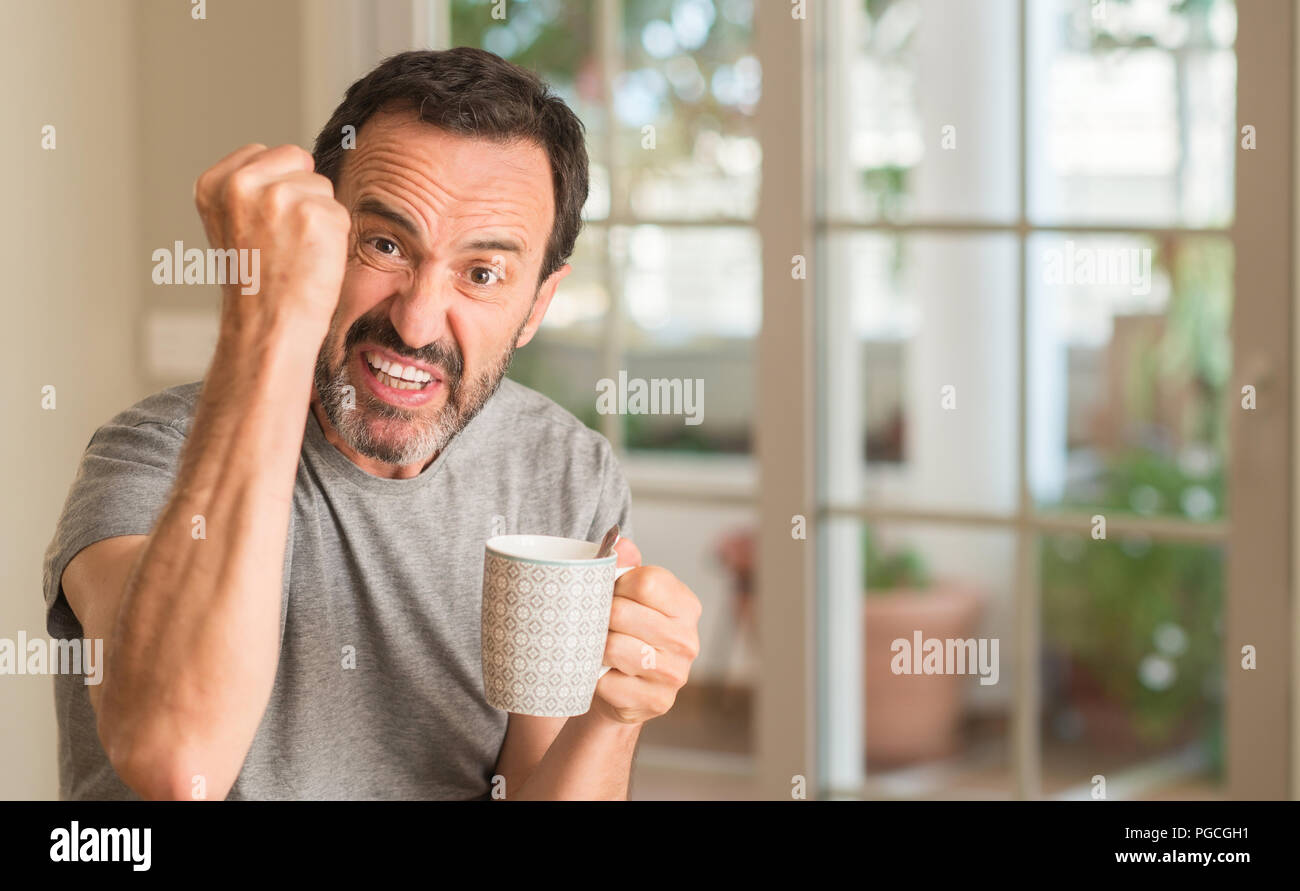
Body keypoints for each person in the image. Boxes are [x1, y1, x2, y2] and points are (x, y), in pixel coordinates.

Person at [42, 47, 701, 801]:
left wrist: (615, 715)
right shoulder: (150, 456)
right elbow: (173, 760)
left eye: (481, 273)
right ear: (319, 242)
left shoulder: (563, 470)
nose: (417, 321)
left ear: (538, 307)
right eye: (384, 244)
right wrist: (266, 312)